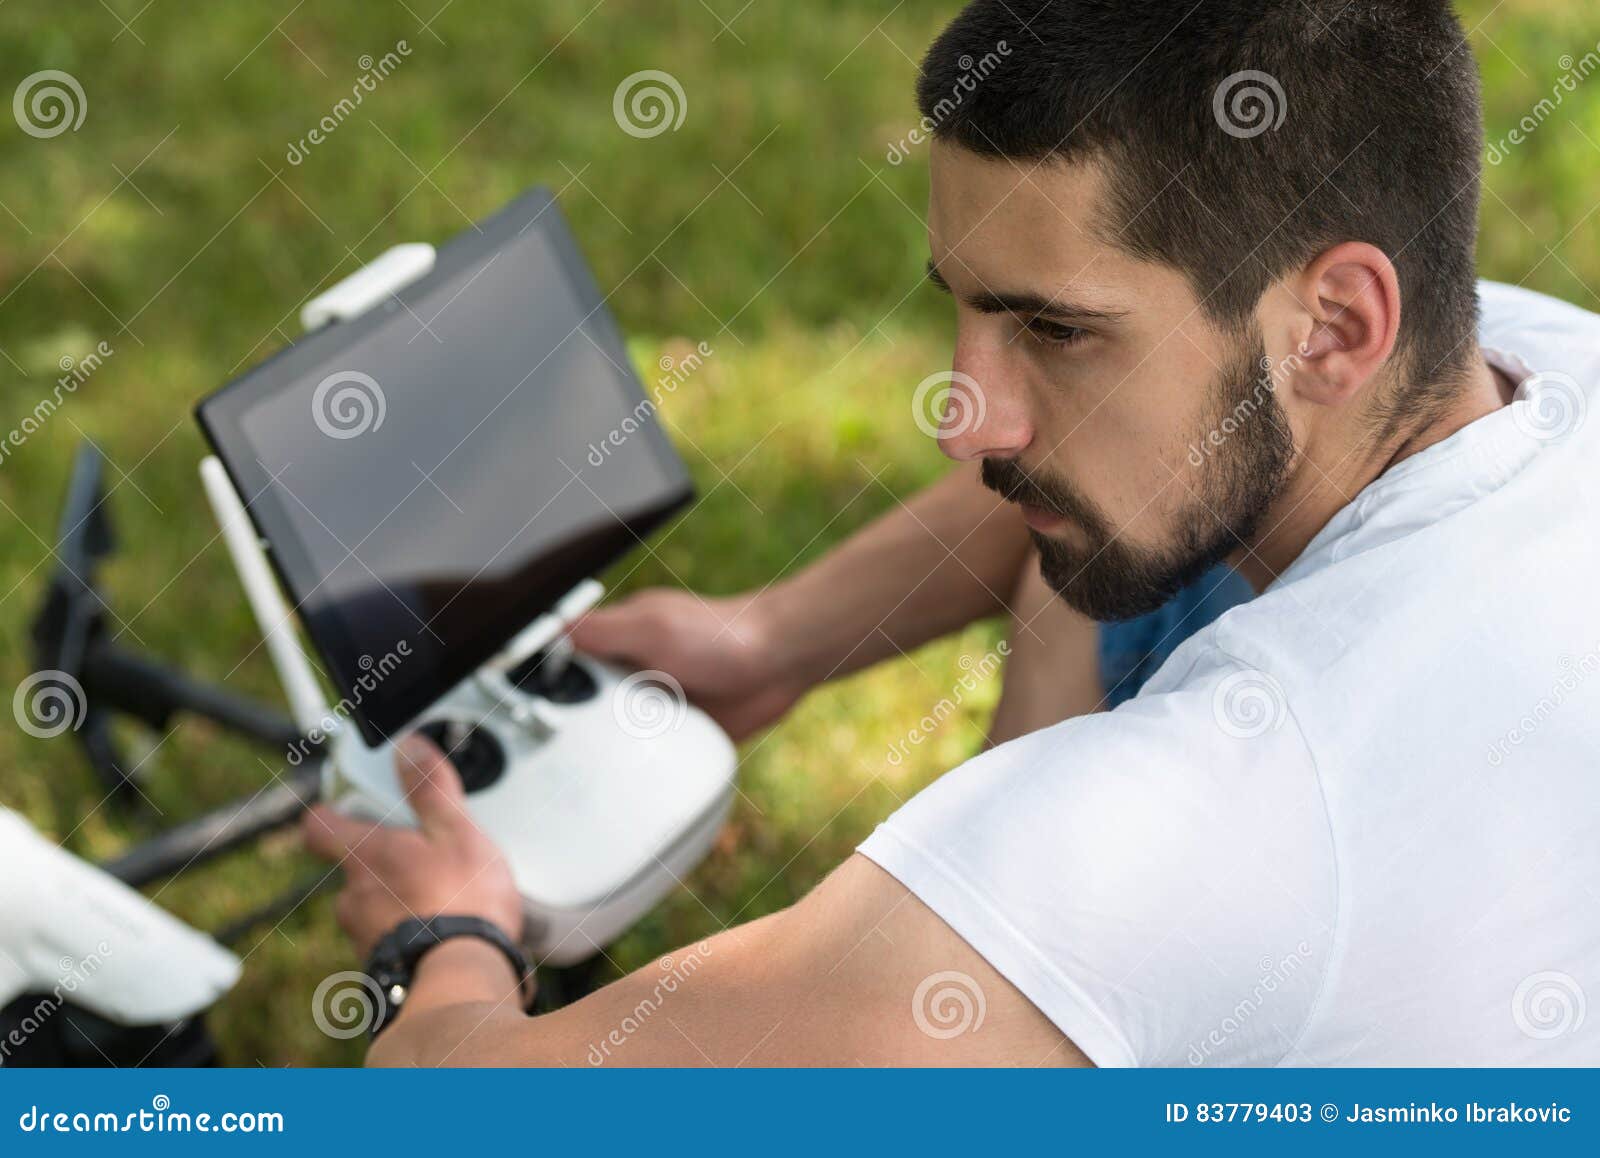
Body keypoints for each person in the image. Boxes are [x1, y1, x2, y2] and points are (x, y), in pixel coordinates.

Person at [304, 0, 1600, 1066]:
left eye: (1055, 331)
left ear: (1336, 325)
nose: (964, 421)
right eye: (967, 315)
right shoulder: (1527, 366)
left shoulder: (1193, 828)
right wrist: (776, 638)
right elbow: (1155, 465)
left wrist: (448, 944)